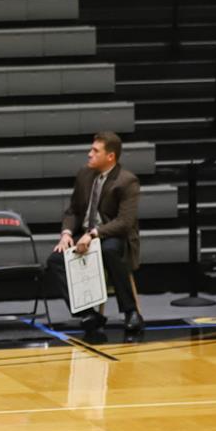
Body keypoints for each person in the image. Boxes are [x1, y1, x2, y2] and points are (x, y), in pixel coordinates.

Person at [42, 132, 143, 338]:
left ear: (110, 157)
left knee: (109, 251)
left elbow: (124, 223)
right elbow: (73, 211)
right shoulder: (84, 175)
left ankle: (130, 312)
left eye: (95, 151)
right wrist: (66, 233)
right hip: (85, 234)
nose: (89, 154)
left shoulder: (127, 181)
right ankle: (88, 314)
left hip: (114, 235)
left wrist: (95, 233)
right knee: (55, 259)